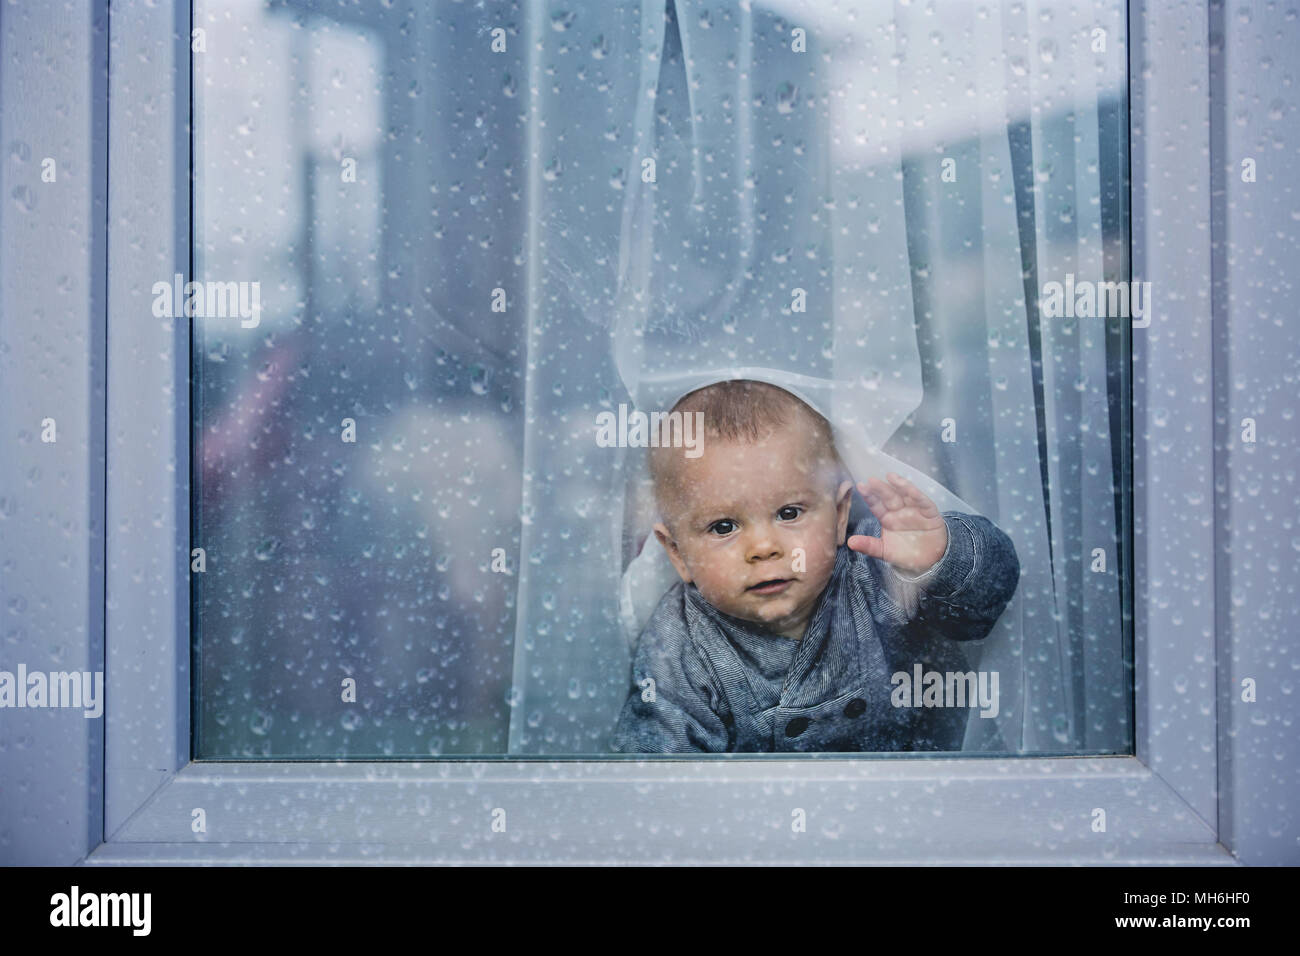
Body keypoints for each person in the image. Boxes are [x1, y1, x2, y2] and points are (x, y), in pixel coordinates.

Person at [611, 379, 1020, 753]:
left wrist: (939, 558)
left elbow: (984, 604)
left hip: (909, 802)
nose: (763, 547)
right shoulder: (679, 644)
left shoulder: (873, 567)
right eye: (724, 526)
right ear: (678, 553)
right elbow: (658, 769)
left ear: (840, 515)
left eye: (789, 513)